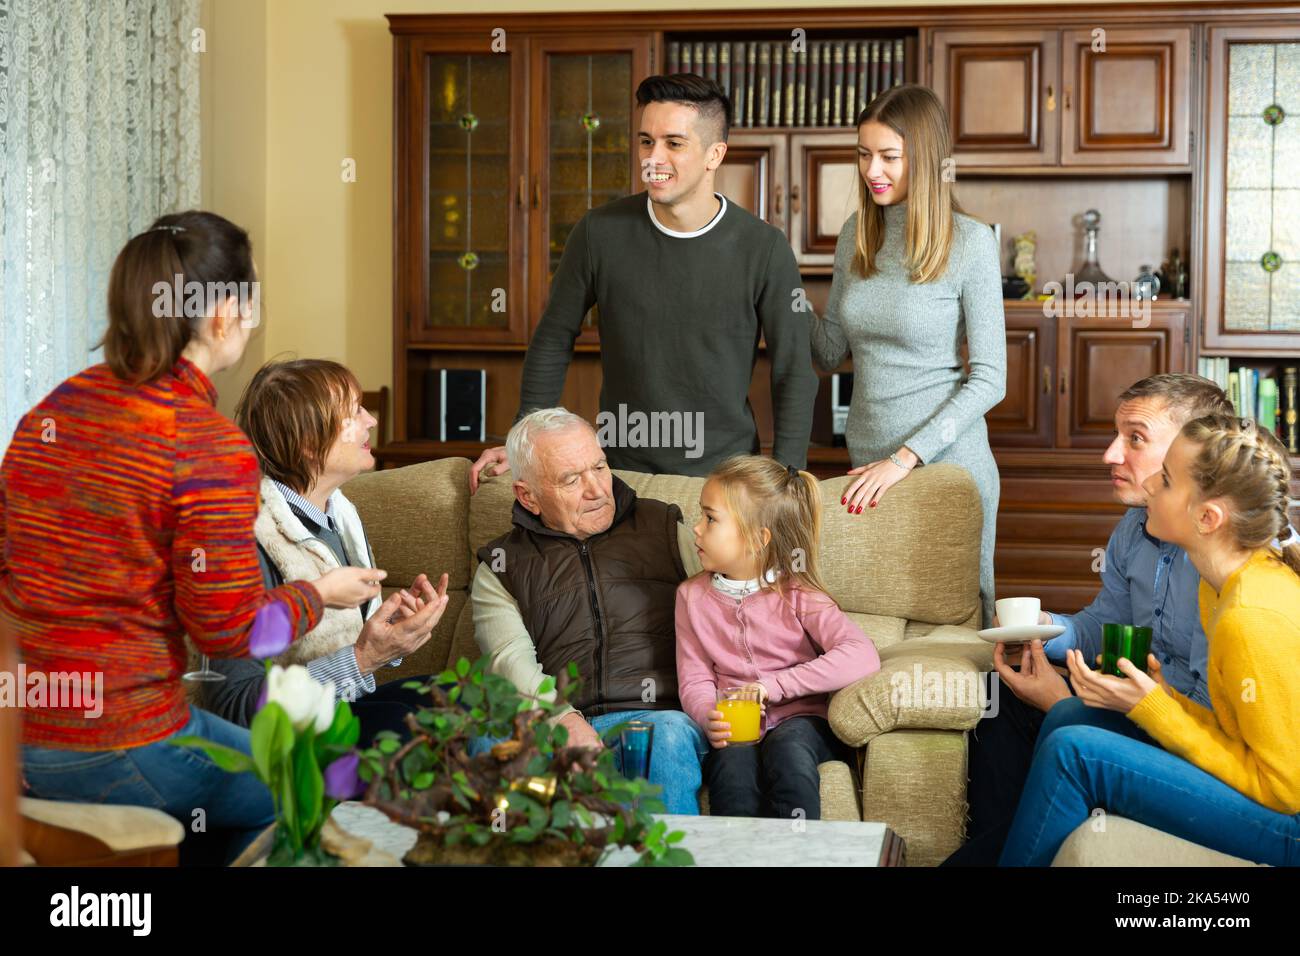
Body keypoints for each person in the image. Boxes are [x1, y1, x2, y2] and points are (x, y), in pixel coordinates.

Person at [3, 212, 381, 863]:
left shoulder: (53, 410)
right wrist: (320, 593)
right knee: (308, 786)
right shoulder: (207, 446)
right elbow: (230, 631)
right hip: (117, 740)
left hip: (18, 731)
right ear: (223, 315)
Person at [469, 73, 818, 488]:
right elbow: (553, 337)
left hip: (723, 482)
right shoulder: (598, 233)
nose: (653, 158)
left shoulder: (765, 248)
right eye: (646, 141)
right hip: (618, 473)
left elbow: (794, 370)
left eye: (674, 143)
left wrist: (788, 476)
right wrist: (523, 441)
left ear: (715, 154)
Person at [944, 374, 1237, 865]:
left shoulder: (1223, 565)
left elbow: (1209, 726)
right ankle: (1010, 840)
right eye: (1116, 435)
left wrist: (1064, 701)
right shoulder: (1134, 528)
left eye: (1135, 439)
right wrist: (1041, 628)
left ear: (1192, 455)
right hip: (1142, 705)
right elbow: (1105, 624)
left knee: (1062, 723)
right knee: (1000, 699)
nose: (1109, 454)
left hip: (1186, 732)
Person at [1000, 414, 1300, 866]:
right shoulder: (1218, 585)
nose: (1151, 485)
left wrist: (1154, 708)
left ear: (1207, 517)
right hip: (1275, 795)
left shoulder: (1250, 617)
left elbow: (1283, 790)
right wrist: (1163, 698)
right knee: (1071, 714)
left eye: (1167, 480)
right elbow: (1233, 732)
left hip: (1288, 825)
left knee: (1073, 753)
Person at [810, 83, 1005, 628]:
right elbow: (830, 351)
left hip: (945, 465)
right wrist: (781, 290)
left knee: (958, 626)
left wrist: (905, 458)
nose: (872, 170)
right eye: (863, 154)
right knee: (875, 620)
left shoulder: (970, 243)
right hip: (867, 466)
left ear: (925, 157)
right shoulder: (856, 235)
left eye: (889, 157)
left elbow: (991, 378)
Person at [469, 407, 709, 813]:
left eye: (599, 467)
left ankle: (660, 850)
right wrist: (563, 721)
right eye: (571, 479)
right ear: (528, 496)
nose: (597, 489)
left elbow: (730, 605)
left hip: (653, 717)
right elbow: (510, 662)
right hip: (551, 721)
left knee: (666, 735)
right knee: (489, 739)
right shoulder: (501, 564)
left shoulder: (665, 528)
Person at [200, 359, 450, 745]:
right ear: (308, 441)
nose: (371, 421)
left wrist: (389, 635)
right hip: (276, 747)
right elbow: (233, 707)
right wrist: (364, 658)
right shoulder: (243, 537)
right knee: (407, 726)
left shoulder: (340, 517)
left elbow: (340, 651)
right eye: (355, 412)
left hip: (334, 714)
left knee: (457, 696)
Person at [676, 456, 879, 819]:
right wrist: (709, 716)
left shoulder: (798, 593)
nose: (696, 528)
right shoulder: (690, 597)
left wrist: (773, 686)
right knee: (732, 770)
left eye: (710, 518)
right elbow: (694, 678)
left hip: (803, 721)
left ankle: (795, 848)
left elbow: (860, 654)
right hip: (735, 725)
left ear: (758, 538)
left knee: (787, 750)